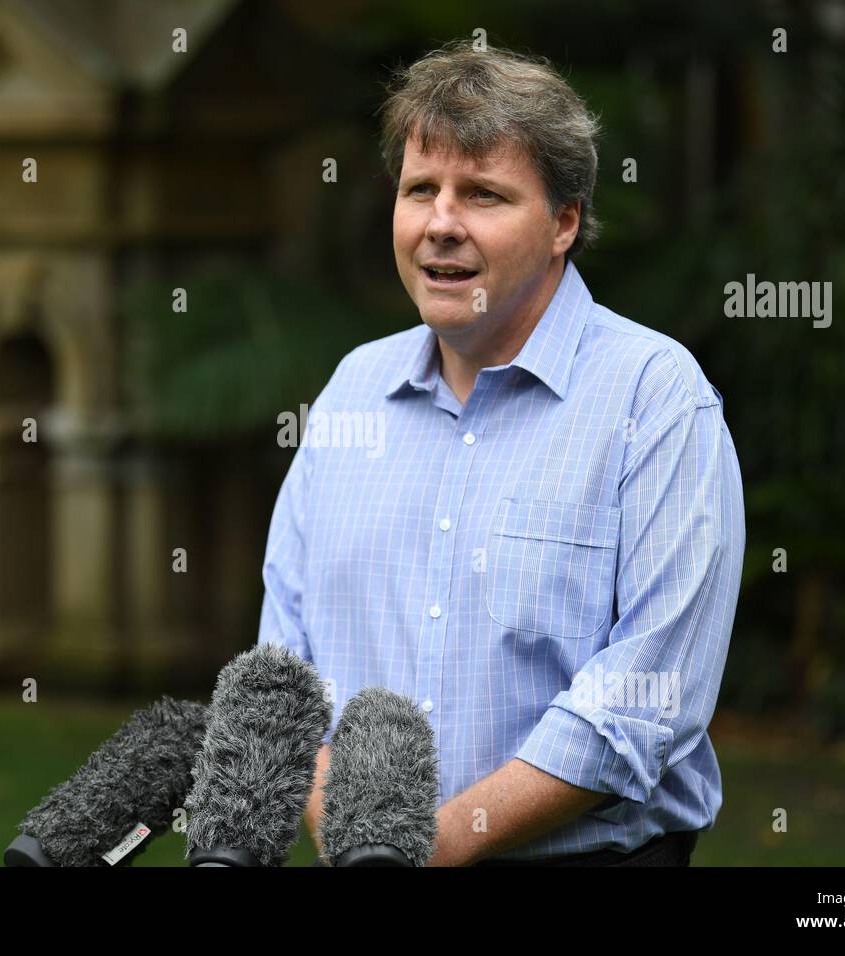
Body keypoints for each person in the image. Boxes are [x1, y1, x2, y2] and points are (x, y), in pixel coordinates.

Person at [259, 39, 745, 866]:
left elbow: (644, 700)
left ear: (563, 222)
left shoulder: (655, 398)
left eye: (482, 194)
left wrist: (442, 842)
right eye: (421, 190)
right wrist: (363, 837)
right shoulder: (350, 393)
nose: (440, 224)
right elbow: (284, 674)